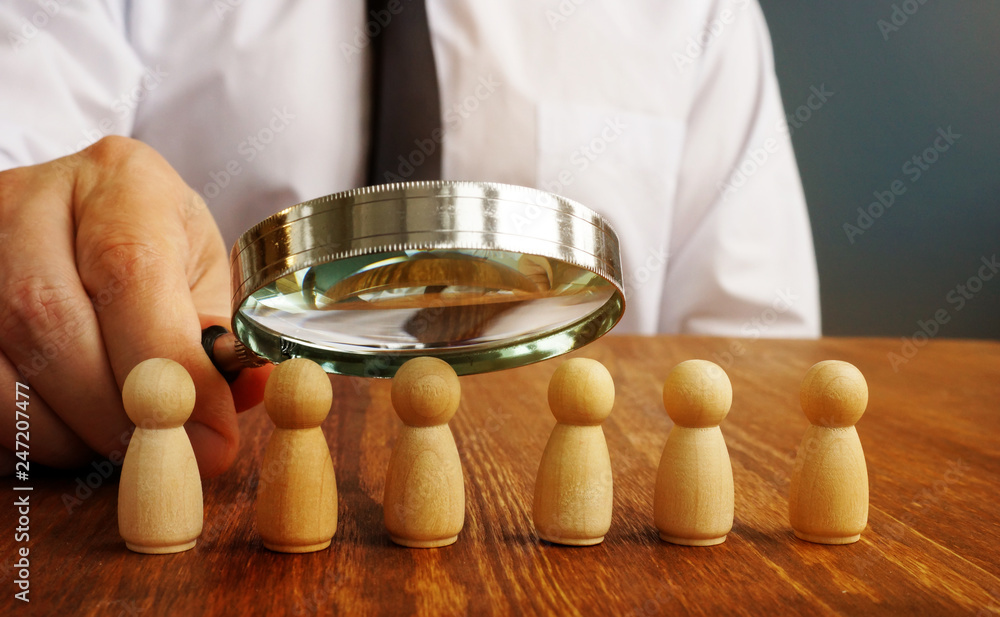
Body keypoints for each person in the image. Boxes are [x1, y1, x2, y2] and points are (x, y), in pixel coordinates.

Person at [0, 0, 820, 476]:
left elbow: (759, 365)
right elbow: (21, 169)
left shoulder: (701, 14)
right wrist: (32, 230)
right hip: (210, 471)